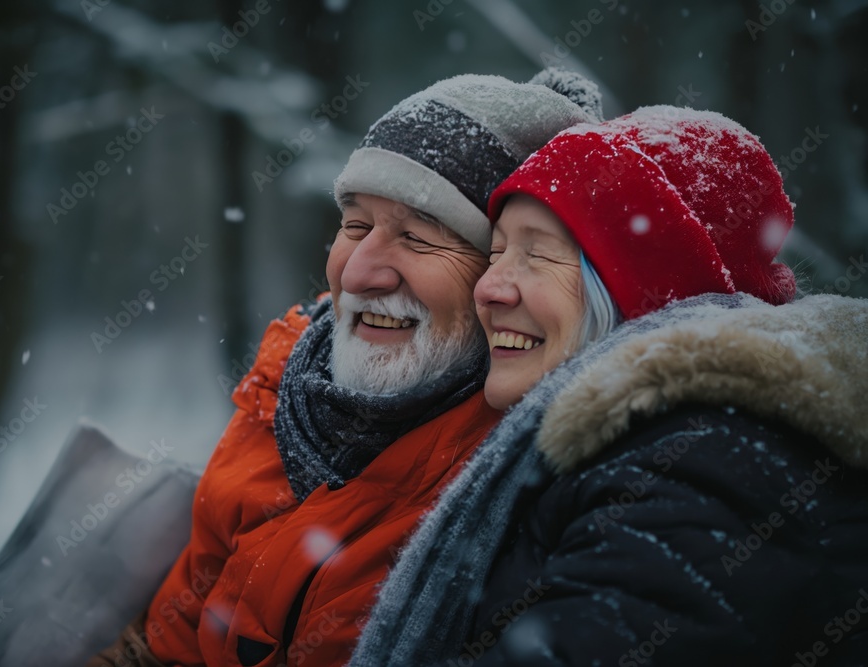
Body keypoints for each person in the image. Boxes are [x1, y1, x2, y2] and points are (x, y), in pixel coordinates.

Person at [86, 69, 604, 667]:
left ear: (503, 278)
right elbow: (171, 638)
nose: (358, 273)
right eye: (355, 225)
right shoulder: (283, 395)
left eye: (419, 237)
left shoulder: (517, 488)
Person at [348, 106, 868, 666]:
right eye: (496, 253)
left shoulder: (698, 468)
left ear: (650, 291)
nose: (489, 288)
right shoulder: (648, 449)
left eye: (539, 254)